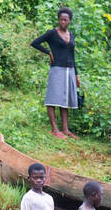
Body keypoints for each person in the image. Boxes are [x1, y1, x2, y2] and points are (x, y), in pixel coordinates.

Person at [31, 8, 81, 139]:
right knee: (53, 98)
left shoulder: (71, 34)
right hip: (57, 69)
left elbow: (72, 55)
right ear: (58, 20)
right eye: (61, 19)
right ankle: (55, 129)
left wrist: (76, 75)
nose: (63, 22)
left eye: (65, 20)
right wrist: (48, 52)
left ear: (70, 21)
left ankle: (65, 129)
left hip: (69, 70)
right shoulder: (52, 33)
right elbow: (35, 43)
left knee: (65, 100)